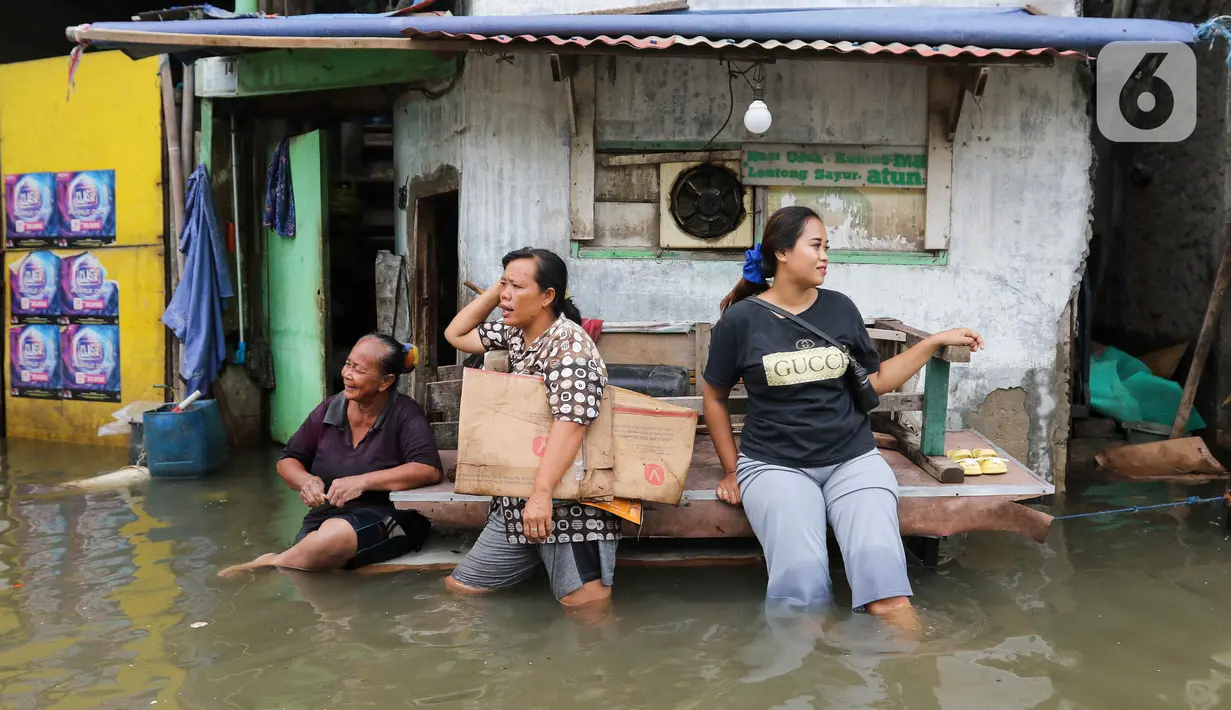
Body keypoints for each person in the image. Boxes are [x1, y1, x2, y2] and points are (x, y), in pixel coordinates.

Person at [702, 206, 984, 628]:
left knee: (887, 591)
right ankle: (807, 661)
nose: (825, 257)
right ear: (781, 252)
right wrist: (731, 469)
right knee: (802, 596)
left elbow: (876, 378)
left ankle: (912, 664)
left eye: (826, 248)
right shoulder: (741, 320)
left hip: (853, 459)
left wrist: (932, 343)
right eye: (816, 246)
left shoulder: (840, 308)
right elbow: (714, 396)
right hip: (775, 465)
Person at [442, 247, 617, 612]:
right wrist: (502, 290)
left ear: (548, 296)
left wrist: (541, 495)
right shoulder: (517, 333)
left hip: (568, 506)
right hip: (517, 502)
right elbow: (456, 334)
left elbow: (571, 424)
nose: (505, 295)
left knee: (585, 611)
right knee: (461, 589)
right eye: (503, 284)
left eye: (517, 287)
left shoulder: (569, 348)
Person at [219, 333, 443, 576]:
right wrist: (306, 481)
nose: (347, 374)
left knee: (329, 541)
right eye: (348, 364)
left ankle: (271, 562)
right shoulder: (330, 408)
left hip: (390, 517)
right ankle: (298, 558)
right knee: (319, 550)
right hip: (325, 519)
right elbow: (287, 460)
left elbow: (428, 469)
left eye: (359, 370)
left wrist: (362, 482)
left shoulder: (405, 413)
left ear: (385, 382)